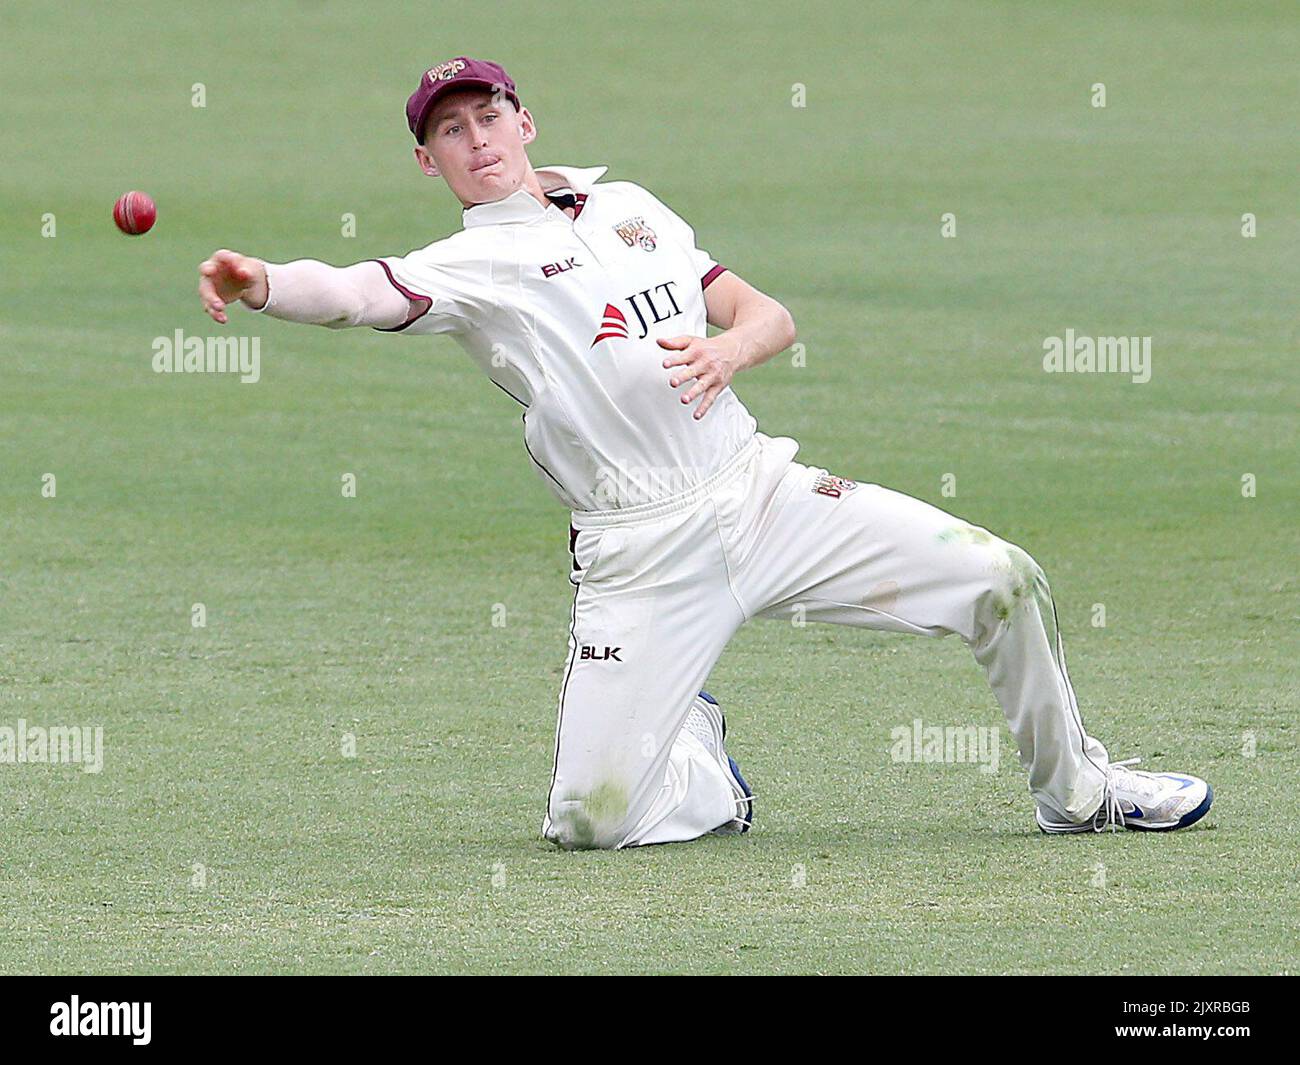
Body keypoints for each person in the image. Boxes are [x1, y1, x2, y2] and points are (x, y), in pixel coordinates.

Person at [198, 57, 1213, 849]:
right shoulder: (468, 265)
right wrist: (261, 282)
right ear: (431, 163)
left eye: (487, 116)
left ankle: (1080, 793)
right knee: (587, 825)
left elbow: (766, 315)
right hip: (640, 557)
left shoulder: (631, 206)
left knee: (1002, 580)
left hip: (761, 494)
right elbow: (353, 292)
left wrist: (728, 348)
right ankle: (698, 761)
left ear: (525, 120)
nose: (475, 139)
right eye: (449, 132)